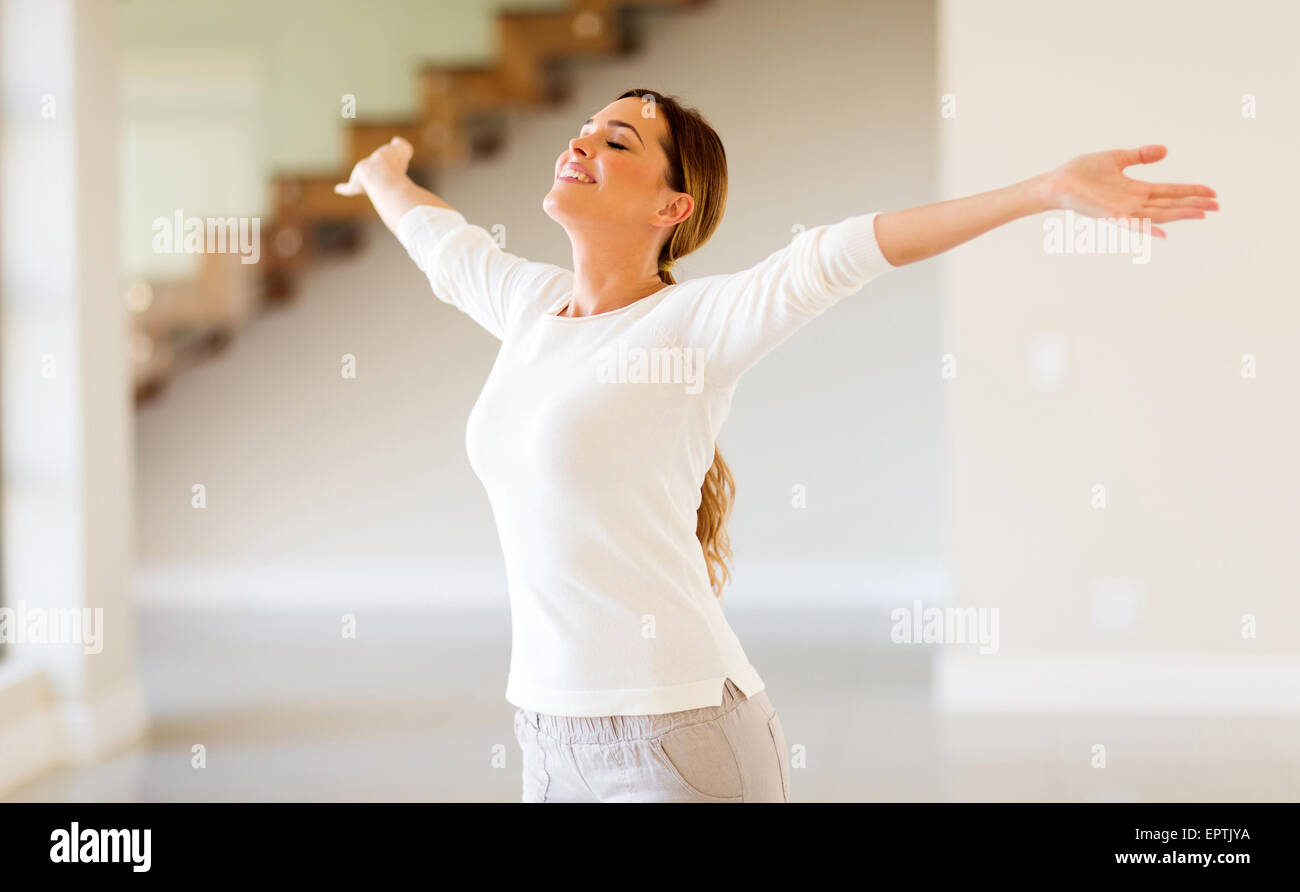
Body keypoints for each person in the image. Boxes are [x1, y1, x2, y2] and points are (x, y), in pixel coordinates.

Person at [335, 88, 1217, 801]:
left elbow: (840, 253)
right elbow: (438, 242)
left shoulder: (693, 323)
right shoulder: (528, 310)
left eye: (620, 142)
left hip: (675, 737)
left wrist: (1044, 191)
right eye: (585, 131)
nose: (585, 144)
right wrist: (383, 171)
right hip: (543, 733)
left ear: (671, 206)